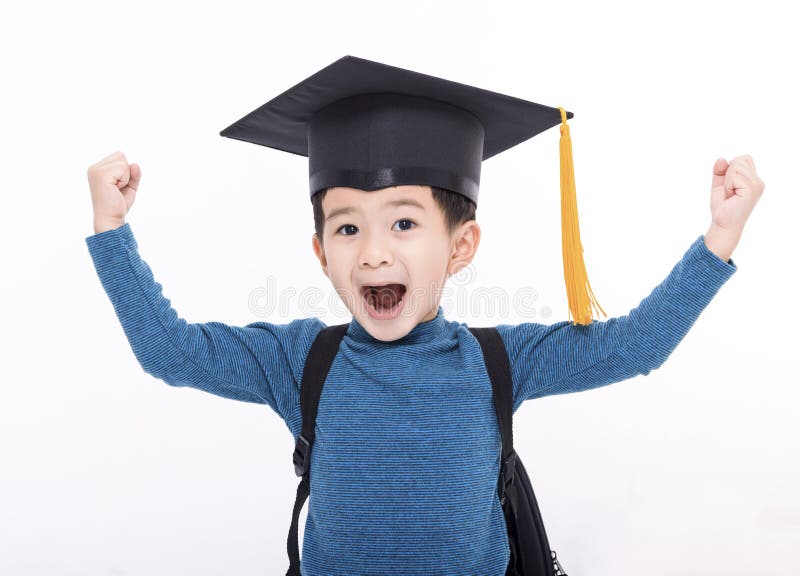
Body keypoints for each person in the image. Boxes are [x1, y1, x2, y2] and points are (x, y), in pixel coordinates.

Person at [85, 55, 764, 576]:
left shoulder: (499, 361)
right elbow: (168, 352)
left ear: (460, 246)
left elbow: (632, 348)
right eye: (347, 230)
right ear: (322, 254)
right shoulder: (300, 362)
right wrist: (111, 229)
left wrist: (719, 240)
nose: (374, 251)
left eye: (404, 222)